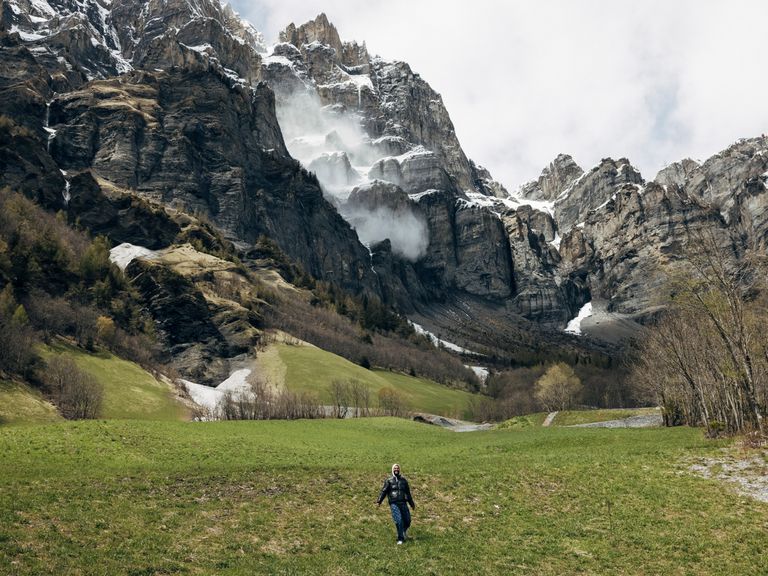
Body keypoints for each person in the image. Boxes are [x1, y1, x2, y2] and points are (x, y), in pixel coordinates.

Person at [376, 463, 415, 544]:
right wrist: (379, 501)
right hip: (394, 503)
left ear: (399, 470)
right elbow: (384, 491)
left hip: (403, 503)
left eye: (397, 468)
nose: (396, 469)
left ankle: (403, 532)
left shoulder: (404, 481)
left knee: (408, 520)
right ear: (392, 470)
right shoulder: (389, 480)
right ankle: (400, 539)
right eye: (395, 468)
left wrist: (411, 503)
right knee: (399, 520)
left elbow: (408, 493)